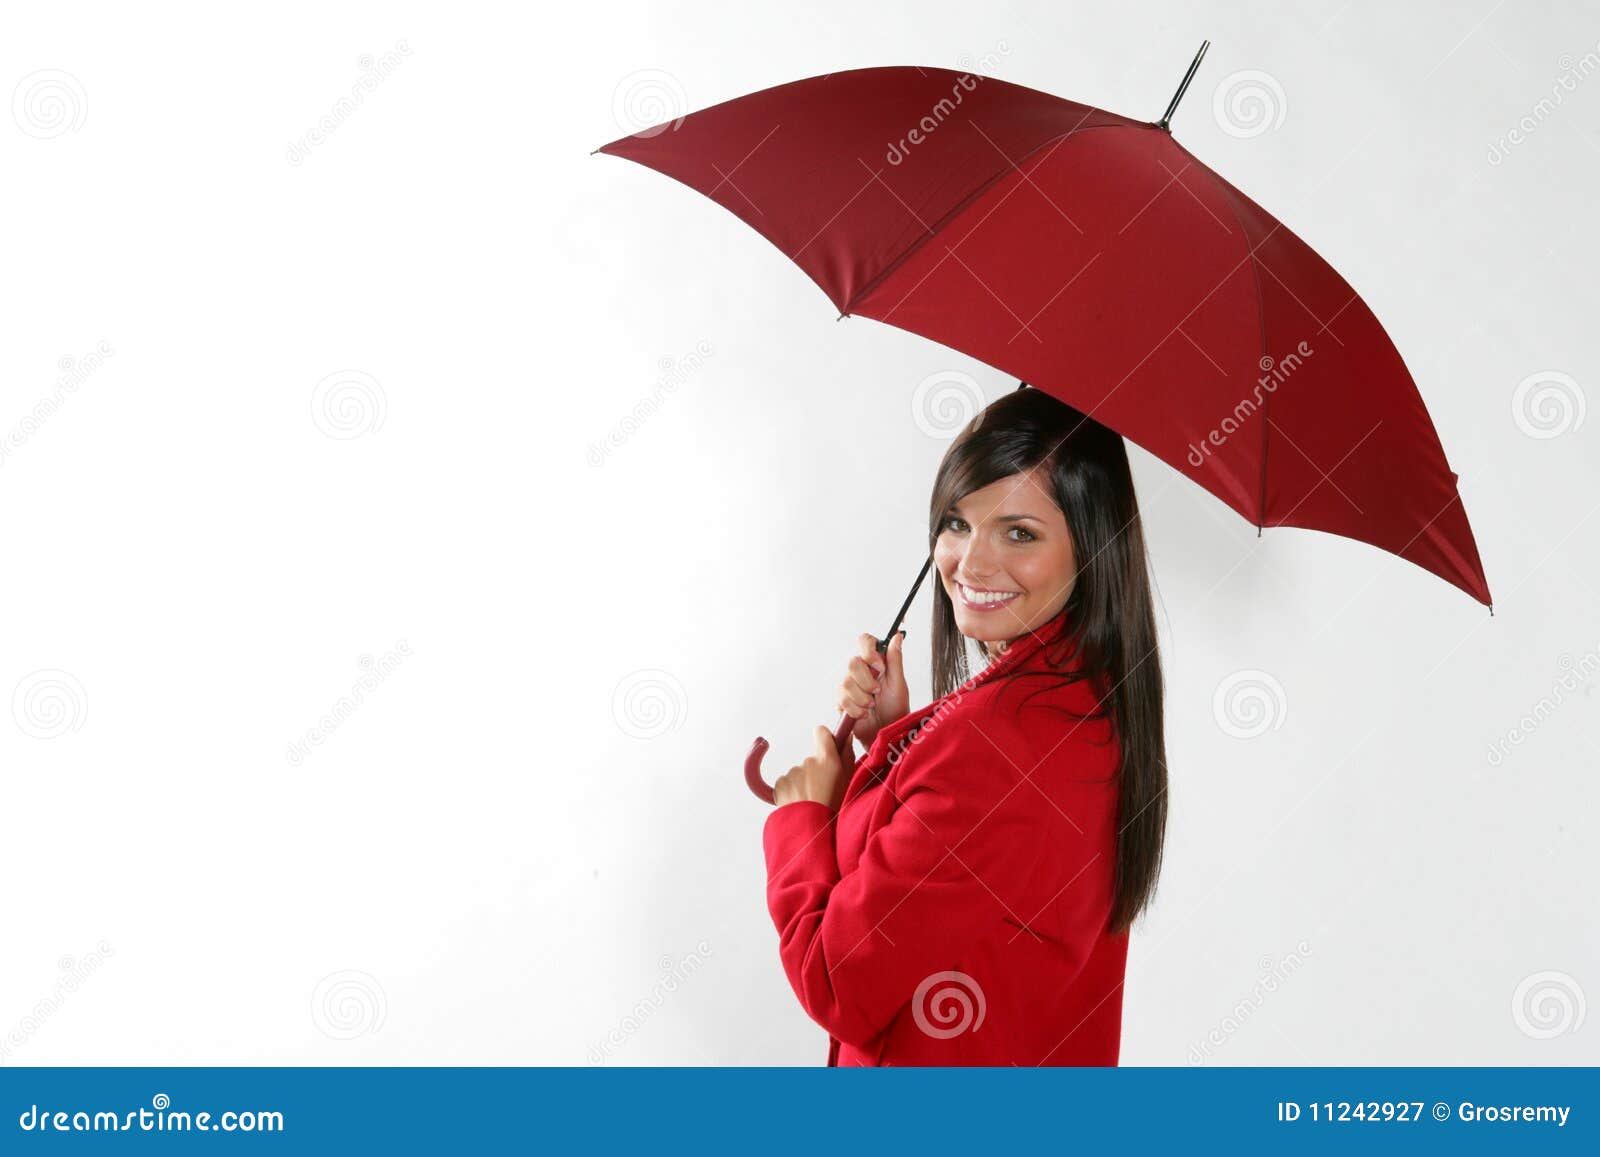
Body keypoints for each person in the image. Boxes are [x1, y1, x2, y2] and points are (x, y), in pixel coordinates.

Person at [761, 386, 1168, 1065]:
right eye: (956, 522)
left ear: (1092, 547)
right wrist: (894, 740)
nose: (971, 564)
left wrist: (801, 820)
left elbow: (840, 985)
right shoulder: (1085, 700)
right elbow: (969, 894)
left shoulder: (992, 748)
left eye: (1019, 532)